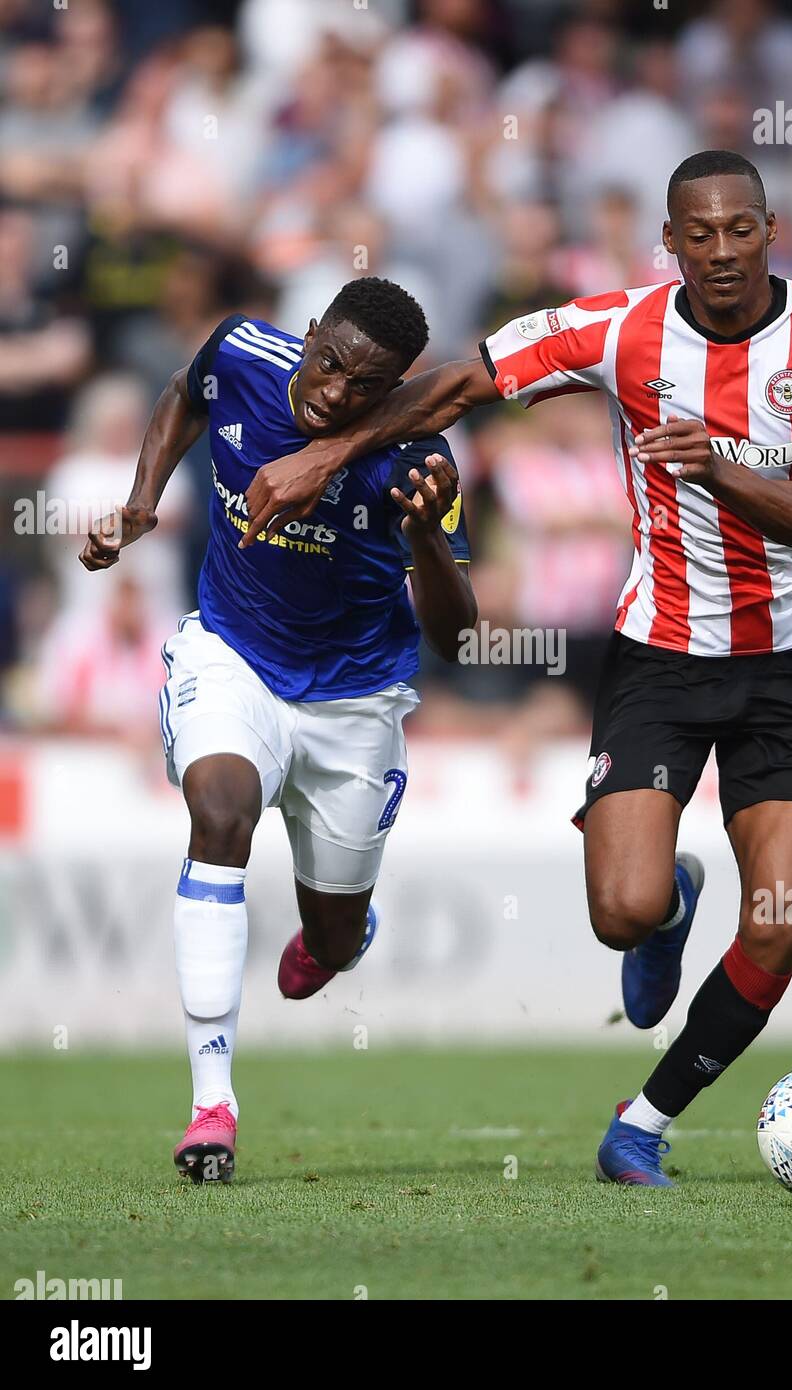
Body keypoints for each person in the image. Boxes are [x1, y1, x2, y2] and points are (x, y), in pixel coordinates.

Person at [241, 149, 792, 1188]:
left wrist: (712, 464)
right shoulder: (622, 326)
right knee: (619, 912)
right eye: (699, 234)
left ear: (771, 230)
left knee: (784, 916)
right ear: (669, 244)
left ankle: (643, 1121)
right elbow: (459, 381)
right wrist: (322, 457)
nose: (721, 251)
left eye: (741, 230)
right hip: (661, 654)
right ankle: (670, 905)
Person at [80, 277, 476, 1182]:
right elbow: (184, 391)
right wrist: (143, 501)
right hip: (233, 653)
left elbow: (459, 634)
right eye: (328, 362)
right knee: (220, 816)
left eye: (363, 386)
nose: (333, 392)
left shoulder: (416, 462)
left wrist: (422, 535)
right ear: (307, 334)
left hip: (355, 698)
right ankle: (210, 1107)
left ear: (395, 392)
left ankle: (337, 937)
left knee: (330, 942)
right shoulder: (244, 354)